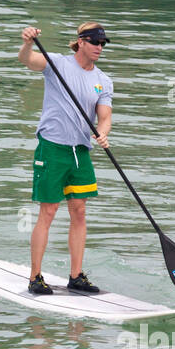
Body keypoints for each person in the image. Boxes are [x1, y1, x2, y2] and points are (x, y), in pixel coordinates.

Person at [18, 23, 113, 295]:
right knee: (48, 211)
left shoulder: (103, 81)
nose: (99, 47)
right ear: (81, 42)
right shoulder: (57, 64)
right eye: (95, 41)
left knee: (80, 211)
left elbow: (104, 118)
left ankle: (76, 276)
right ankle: (35, 277)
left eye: (103, 43)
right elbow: (27, 61)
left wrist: (102, 134)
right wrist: (27, 43)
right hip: (53, 149)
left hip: (80, 153)